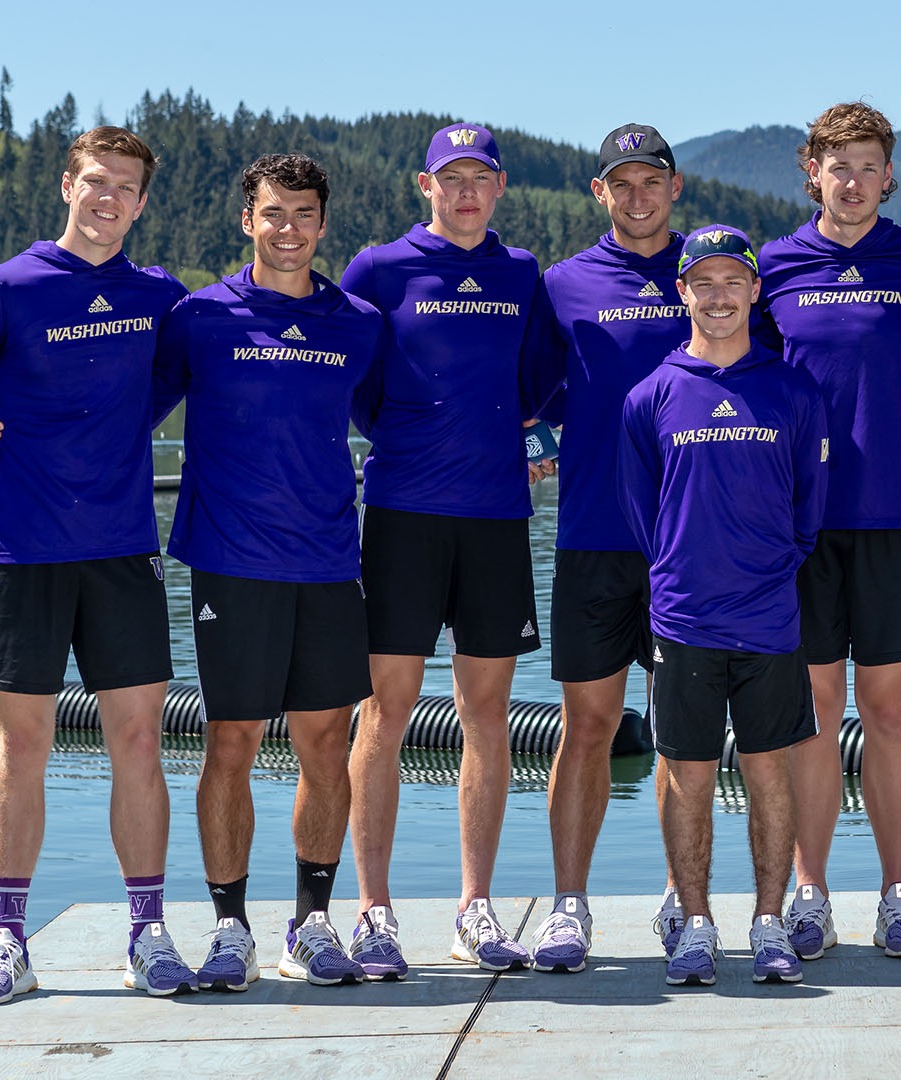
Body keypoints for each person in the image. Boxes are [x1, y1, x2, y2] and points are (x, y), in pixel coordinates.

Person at [0, 126, 197, 1004]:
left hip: (121, 552)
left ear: (143, 202)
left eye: (126, 186)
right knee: (22, 746)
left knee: (139, 741)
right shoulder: (2, 289)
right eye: (95, 182)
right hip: (24, 553)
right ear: (67, 187)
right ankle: (7, 940)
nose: (109, 198)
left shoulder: (158, 295)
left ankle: (148, 931)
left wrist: (111, 438)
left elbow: (167, 384)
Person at [150, 153, 382, 990]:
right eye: (273, 213)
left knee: (326, 741)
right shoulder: (199, 319)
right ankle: (229, 929)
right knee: (232, 741)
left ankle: (313, 924)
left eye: (304, 214)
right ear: (247, 220)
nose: (289, 229)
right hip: (230, 564)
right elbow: (119, 410)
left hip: (326, 563)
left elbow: (405, 416)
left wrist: (527, 442)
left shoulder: (356, 322)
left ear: (324, 225)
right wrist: (4, 428)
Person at [754, 102, 901, 959]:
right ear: (813, 172)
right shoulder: (774, 266)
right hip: (801, 525)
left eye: (869, 165)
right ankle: (810, 894)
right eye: (838, 165)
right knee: (813, 710)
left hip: (895, 517)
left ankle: (899, 895)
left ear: (887, 174)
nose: (853, 180)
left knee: (886, 710)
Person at [342, 123, 545, 974]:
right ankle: (374, 912)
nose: (465, 192)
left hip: (496, 520)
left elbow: (538, 383)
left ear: (500, 187)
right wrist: (410, 438)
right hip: (403, 517)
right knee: (385, 715)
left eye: (480, 178)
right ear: (423, 187)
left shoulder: (523, 273)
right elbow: (351, 382)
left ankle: (474, 908)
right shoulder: (378, 269)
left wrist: (519, 441)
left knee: (487, 718)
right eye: (449, 178)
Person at [618, 226, 828, 986]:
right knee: (687, 777)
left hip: (770, 618)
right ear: (682, 293)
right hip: (683, 621)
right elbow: (642, 513)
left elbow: (809, 513)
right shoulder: (652, 396)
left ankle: (769, 924)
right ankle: (697, 924)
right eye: (701, 282)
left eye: (731, 281)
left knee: (771, 772)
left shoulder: (793, 391)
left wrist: (763, 570)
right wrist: (684, 571)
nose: (717, 295)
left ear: (754, 290)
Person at [519, 123, 690, 972]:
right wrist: (534, 444)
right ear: (599, 193)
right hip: (592, 537)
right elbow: (524, 394)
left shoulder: (716, 272)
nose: (636, 197)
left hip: (693, 545)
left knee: (680, 732)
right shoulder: (563, 284)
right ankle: (569, 907)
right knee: (586, 727)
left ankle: (678, 900)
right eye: (620, 184)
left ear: (675, 187)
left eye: (650, 182)